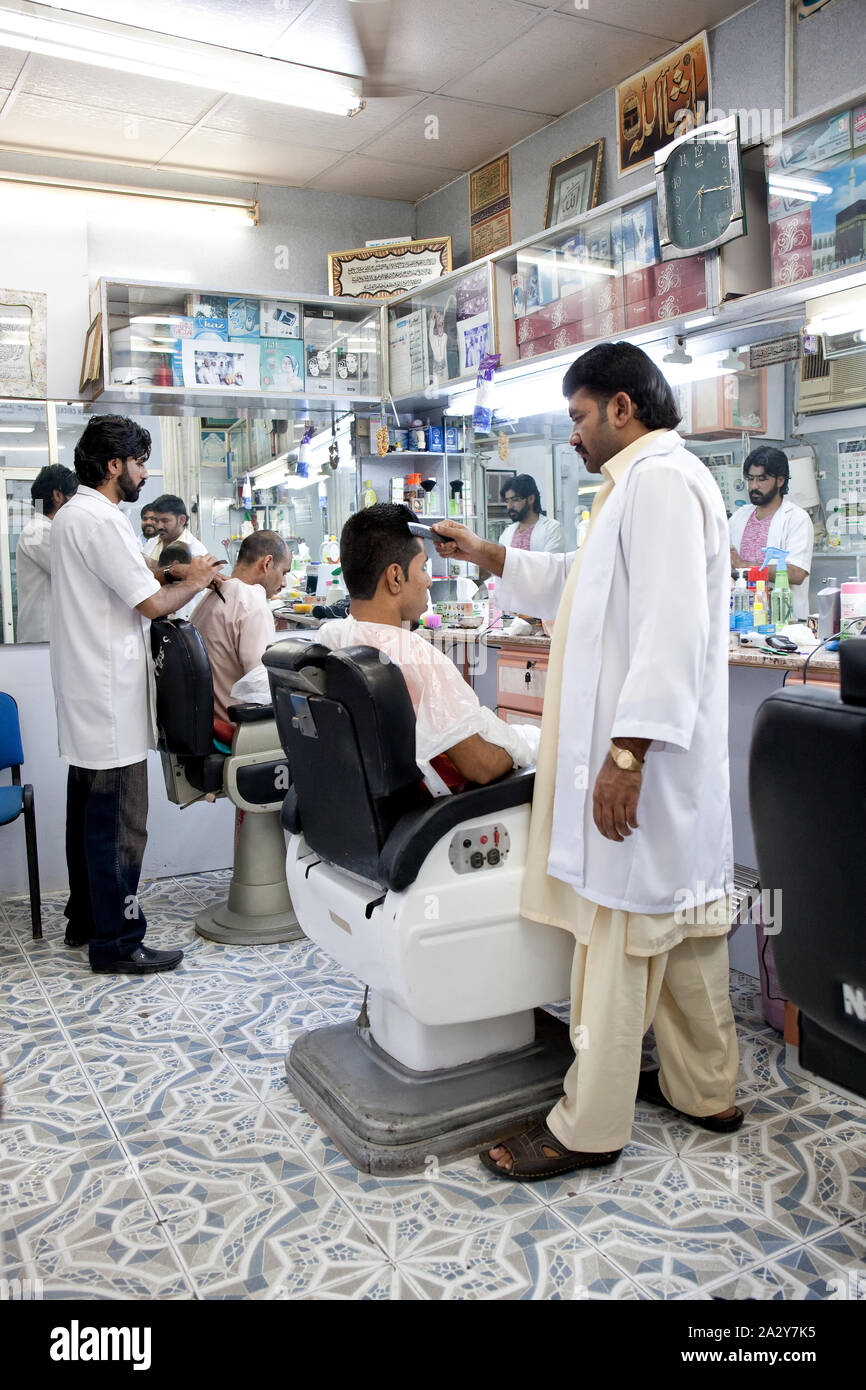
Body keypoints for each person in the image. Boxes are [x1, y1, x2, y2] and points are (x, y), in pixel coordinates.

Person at [433, 341, 741, 1181]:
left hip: (649, 765)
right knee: (682, 933)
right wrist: (488, 556)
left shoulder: (664, 482)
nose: (572, 435)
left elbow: (671, 625)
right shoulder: (633, 485)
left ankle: (588, 1125)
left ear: (621, 408)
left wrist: (627, 753)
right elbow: (582, 582)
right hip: (660, 774)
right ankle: (707, 1089)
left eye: (576, 417)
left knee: (617, 937)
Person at [50, 414, 225, 975]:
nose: (145, 474)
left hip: (88, 691)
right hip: (109, 696)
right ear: (114, 465)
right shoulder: (98, 519)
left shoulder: (77, 515)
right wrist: (196, 580)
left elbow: (140, 575)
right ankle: (119, 941)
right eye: (140, 463)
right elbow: (149, 603)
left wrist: (172, 573)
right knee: (121, 825)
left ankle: (86, 921)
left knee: (87, 819)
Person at [316, 504, 539, 791]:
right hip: (441, 816)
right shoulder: (413, 656)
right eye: (423, 567)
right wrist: (523, 755)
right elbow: (481, 766)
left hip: (362, 812)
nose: (429, 580)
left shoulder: (330, 639)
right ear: (395, 577)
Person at [192, 530, 292, 724]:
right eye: (284, 572)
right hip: (237, 726)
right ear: (267, 563)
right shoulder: (251, 600)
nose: (284, 583)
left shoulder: (213, 594)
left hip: (206, 721)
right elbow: (260, 685)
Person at [728, 445, 813, 619]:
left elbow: (797, 573)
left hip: (784, 620)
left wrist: (746, 566)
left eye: (762, 479)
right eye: (750, 479)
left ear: (780, 481)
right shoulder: (739, 516)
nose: (754, 486)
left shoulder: (796, 518)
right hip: (742, 616)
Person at [15, 464, 78, 642]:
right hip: (43, 637)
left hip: (51, 637)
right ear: (58, 495)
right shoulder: (38, 531)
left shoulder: (46, 530)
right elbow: (75, 571)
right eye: (74, 495)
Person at [146, 493, 209, 620]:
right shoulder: (151, 544)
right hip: (153, 614)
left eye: (165, 521)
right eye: (157, 521)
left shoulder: (196, 551)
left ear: (181, 520)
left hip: (183, 619)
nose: (159, 526)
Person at [498, 475, 565, 552]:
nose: (510, 506)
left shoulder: (552, 529)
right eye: (507, 501)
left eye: (515, 500)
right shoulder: (507, 532)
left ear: (531, 499)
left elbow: (549, 562)